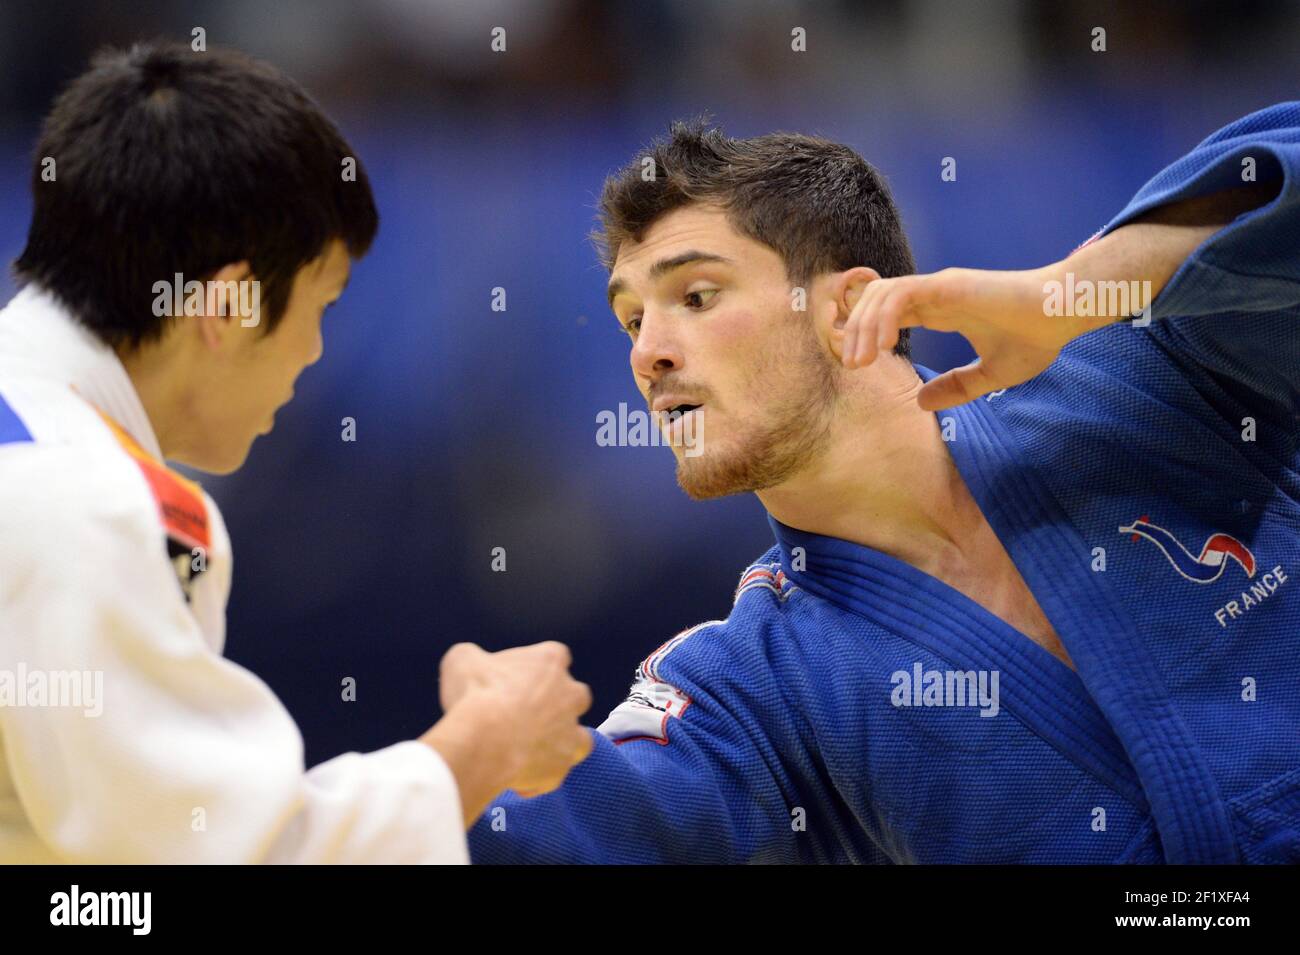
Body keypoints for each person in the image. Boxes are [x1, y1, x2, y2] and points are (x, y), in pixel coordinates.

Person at [469, 104, 1300, 863]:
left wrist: (1068, 292)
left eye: (695, 294)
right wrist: (437, 773)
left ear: (846, 309)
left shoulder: (1137, 383)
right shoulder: (755, 684)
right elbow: (566, 831)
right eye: (631, 320)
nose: (646, 353)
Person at [0, 41, 591, 864]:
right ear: (230, 304)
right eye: (323, 304)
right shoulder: (89, 506)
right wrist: (487, 743)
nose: (316, 353)